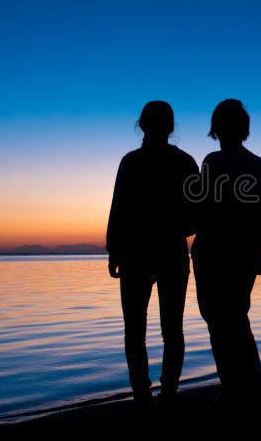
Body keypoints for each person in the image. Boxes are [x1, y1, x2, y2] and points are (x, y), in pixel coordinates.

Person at [106, 101, 199, 411]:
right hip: (172, 251)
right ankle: (168, 393)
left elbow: (118, 209)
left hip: (135, 252)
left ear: (142, 125)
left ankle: (142, 395)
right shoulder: (185, 162)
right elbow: (195, 215)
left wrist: (114, 251)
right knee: (172, 329)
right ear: (170, 127)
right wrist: (176, 227)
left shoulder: (130, 162)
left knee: (135, 329)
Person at [188, 99, 261, 404]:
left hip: (213, 252)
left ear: (218, 128)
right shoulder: (260, 166)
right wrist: (259, 254)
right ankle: (250, 386)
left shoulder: (213, 162)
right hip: (244, 254)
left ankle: (232, 388)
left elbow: (201, 208)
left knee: (218, 321)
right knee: (237, 319)